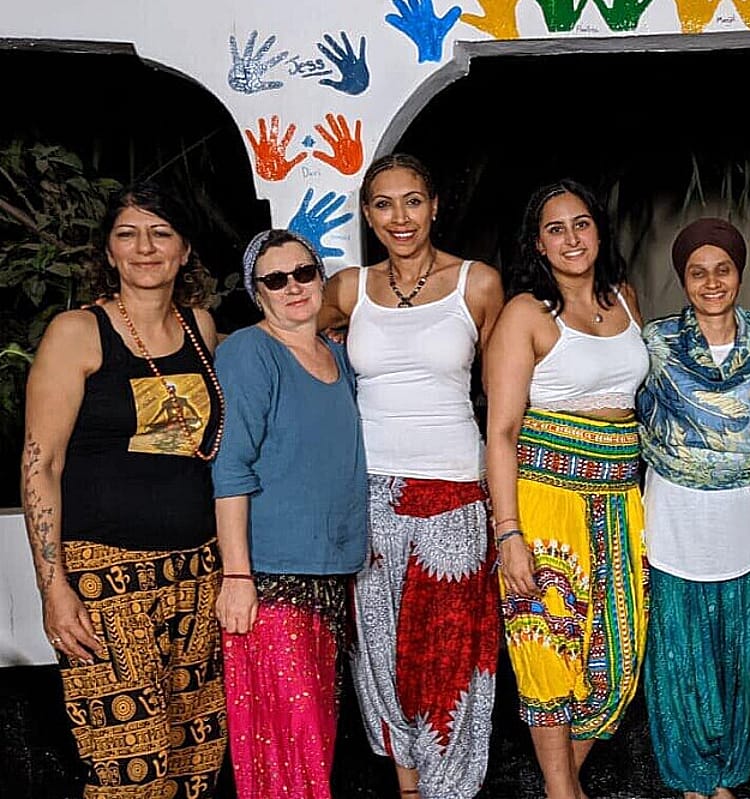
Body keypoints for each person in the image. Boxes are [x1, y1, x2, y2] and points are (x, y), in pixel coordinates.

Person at [20, 182, 226, 798]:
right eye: (127, 234)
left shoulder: (201, 329)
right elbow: (41, 465)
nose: (145, 248)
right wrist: (53, 588)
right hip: (105, 579)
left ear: (185, 250)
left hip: (197, 574)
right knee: (131, 771)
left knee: (196, 761)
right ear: (108, 252)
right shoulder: (77, 333)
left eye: (161, 233)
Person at [318, 153, 505, 799]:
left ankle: (450, 787)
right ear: (368, 214)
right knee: (379, 659)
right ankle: (407, 787)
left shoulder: (476, 284)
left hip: (453, 494)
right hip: (368, 499)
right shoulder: (347, 288)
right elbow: (284, 342)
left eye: (413, 200)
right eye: (384, 204)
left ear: (435, 205)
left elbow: (502, 390)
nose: (400, 216)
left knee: (451, 661)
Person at [485, 178, 650, 799]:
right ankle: (561, 789)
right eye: (556, 229)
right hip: (546, 504)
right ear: (539, 243)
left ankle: (564, 783)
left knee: (618, 661)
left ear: (598, 231)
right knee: (550, 655)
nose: (571, 238)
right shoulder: (526, 313)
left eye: (580, 224)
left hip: (619, 504)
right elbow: (500, 432)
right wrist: (508, 533)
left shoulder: (627, 300)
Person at [211, 229, 368, 799]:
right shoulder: (249, 352)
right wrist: (236, 576)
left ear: (320, 277)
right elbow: (229, 469)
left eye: (303, 273)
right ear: (259, 293)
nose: (293, 287)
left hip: (332, 578)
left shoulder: (338, 355)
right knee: (287, 746)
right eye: (275, 280)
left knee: (315, 743)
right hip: (271, 581)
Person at [637, 218, 750, 799]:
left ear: (739, 273)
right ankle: (690, 776)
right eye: (698, 272)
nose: (712, 281)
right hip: (675, 508)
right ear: (683, 279)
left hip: (745, 512)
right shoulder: (655, 344)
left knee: (736, 647)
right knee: (678, 650)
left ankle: (726, 772)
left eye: (722, 269)